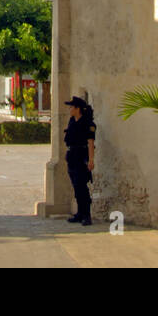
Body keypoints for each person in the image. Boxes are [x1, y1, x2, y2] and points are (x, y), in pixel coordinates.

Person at [63, 96, 96, 225]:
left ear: (78, 109)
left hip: (82, 156)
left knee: (82, 186)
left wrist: (91, 160)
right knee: (76, 186)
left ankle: (87, 215)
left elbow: (90, 142)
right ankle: (79, 213)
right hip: (72, 156)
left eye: (71, 107)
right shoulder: (72, 121)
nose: (70, 109)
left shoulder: (88, 123)